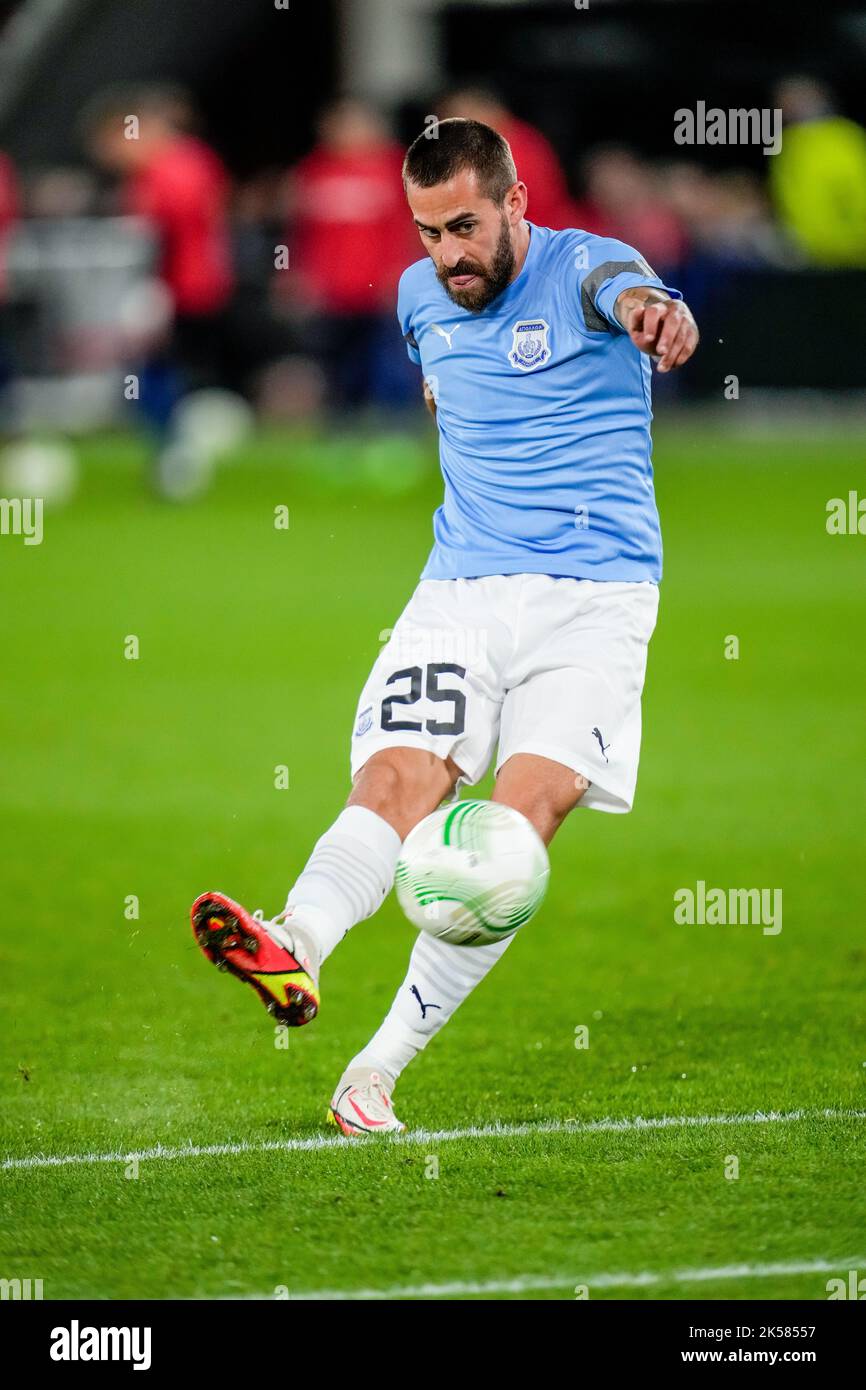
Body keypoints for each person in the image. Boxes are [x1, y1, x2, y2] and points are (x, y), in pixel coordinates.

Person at [191, 118, 699, 1135]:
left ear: (514, 204)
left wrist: (654, 314)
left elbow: (633, 294)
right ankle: (296, 938)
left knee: (505, 844)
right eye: (427, 231)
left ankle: (374, 1072)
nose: (447, 254)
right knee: (393, 779)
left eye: (464, 225)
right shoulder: (419, 295)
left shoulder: (589, 265)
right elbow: (451, 393)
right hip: (458, 588)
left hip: (591, 600)